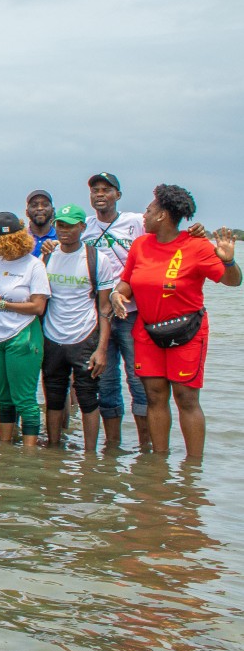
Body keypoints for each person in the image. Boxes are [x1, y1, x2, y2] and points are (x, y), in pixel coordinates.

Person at [110, 184, 239, 459]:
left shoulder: (197, 246)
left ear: (162, 215)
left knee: (186, 398)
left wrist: (228, 262)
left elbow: (233, 282)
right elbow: (126, 283)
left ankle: (192, 470)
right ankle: (160, 463)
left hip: (187, 332)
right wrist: (116, 296)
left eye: (148, 210)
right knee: (155, 396)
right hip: (147, 332)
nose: (143, 215)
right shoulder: (141, 245)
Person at [83, 171, 151, 450]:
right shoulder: (84, 226)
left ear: (118, 195)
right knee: (106, 382)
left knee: (138, 380)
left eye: (106, 190)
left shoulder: (135, 222)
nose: (100, 194)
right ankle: (112, 446)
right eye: (95, 190)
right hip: (99, 315)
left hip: (133, 313)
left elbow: (158, 247)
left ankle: (147, 446)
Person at [40, 203, 117, 450]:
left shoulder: (97, 259)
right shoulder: (48, 256)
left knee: (87, 397)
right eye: (60, 225)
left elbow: (105, 309)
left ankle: (90, 455)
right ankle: (53, 449)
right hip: (52, 337)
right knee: (53, 397)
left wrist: (102, 349)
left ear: (82, 227)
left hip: (84, 336)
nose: (65, 231)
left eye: (71, 226)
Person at [0, 212, 50, 447]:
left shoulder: (33, 266)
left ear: (7, 239)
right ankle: (4, 448)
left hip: (21, 336)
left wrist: (2, 304)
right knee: (3, 398)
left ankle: (28, 451)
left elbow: (38, 307)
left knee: (25, 398)